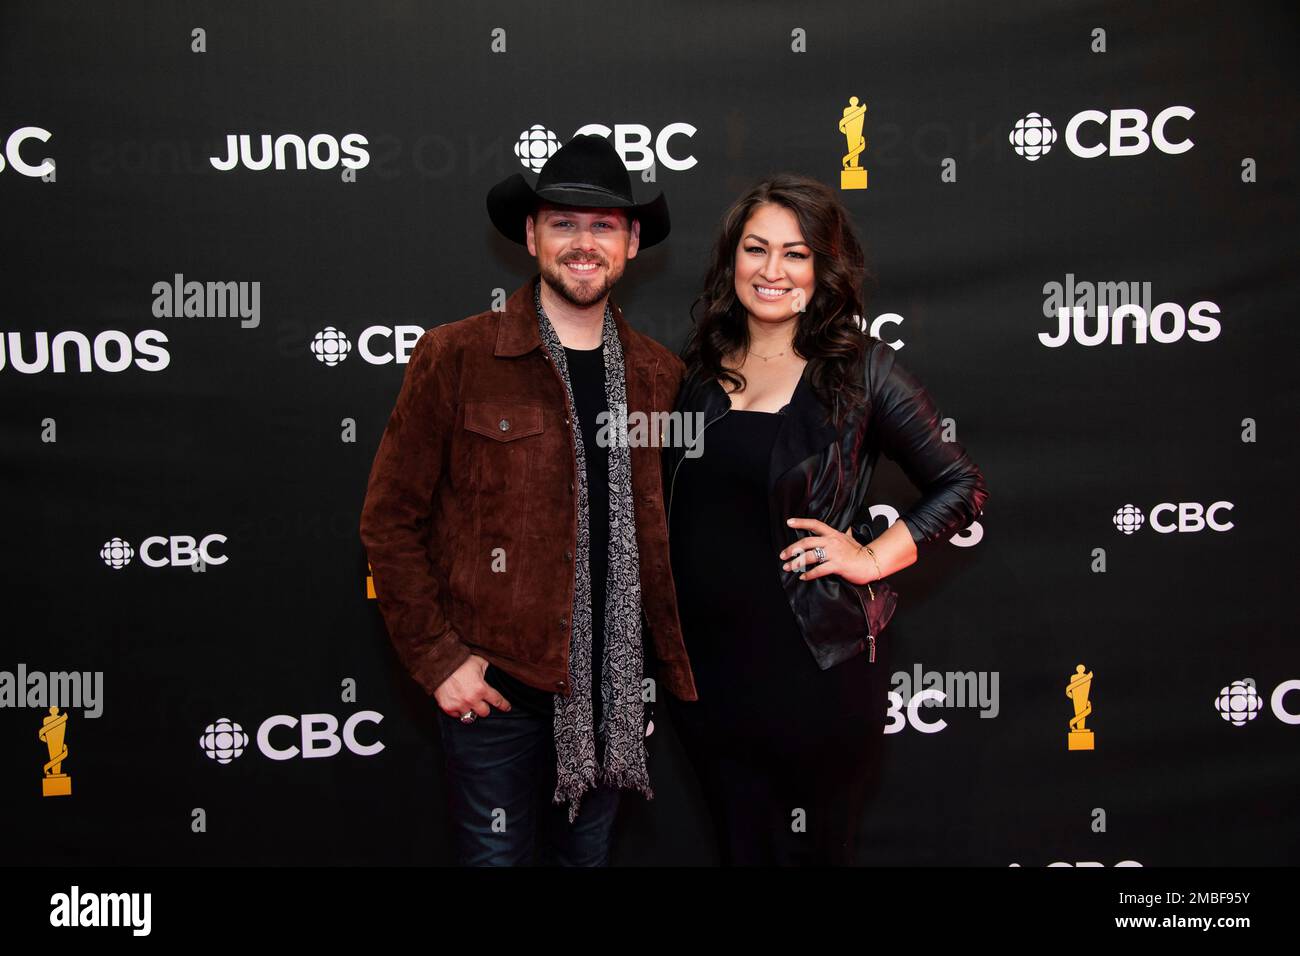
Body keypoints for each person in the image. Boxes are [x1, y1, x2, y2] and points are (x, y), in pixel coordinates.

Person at [359, 134, 698, 866]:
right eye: (564, 223)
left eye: (604, 225)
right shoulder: (457, 356)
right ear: (530, 235)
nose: (584, 243)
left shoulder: (661, 378)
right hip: (497, 693)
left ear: (632, 242)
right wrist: (439, 658)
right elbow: (390, 521)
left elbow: (674, 535)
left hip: (612, 692)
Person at [663, 173, 989, 865]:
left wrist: (872, 557)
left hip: (813, 667)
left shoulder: (862, 371)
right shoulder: (696, 367)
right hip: (707, 674)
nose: (772, 270)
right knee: (739, 847)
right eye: (756, 249)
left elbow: (960, 484)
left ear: (824, 267)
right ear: (731, 260)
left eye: (796, 253)